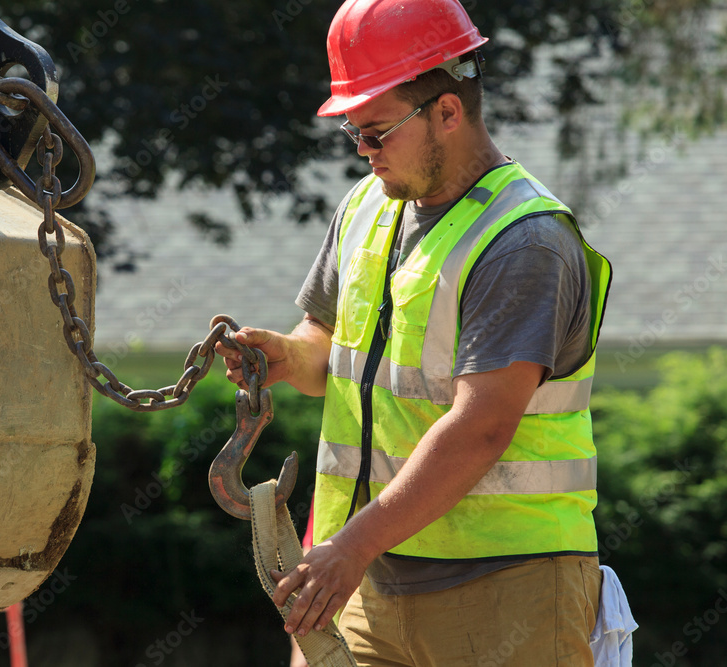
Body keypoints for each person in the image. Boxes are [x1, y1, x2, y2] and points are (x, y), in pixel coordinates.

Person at [217, 0, 614, 664]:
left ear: (448, 113)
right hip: (366, 579)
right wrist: (287, 355)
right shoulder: (369, 208)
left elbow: (481, 424)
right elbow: (331, 347)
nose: (364, 152)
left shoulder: (525, 242)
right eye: (353, 133)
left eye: (376, 132)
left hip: (506, 583)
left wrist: (350, 546)